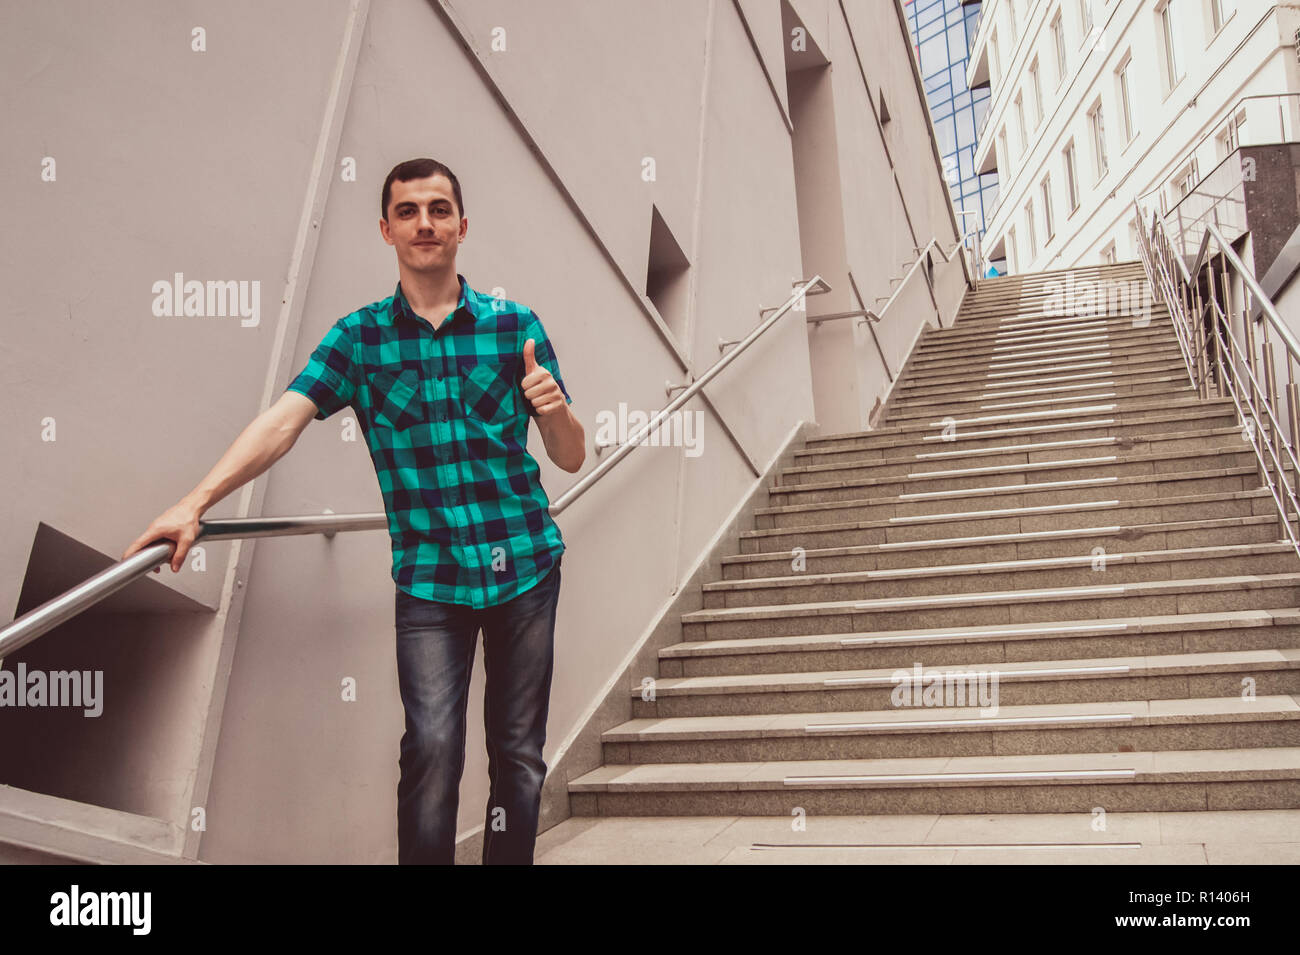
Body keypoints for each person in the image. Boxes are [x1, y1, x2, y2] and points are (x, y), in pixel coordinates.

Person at [122, 157, 586, 865]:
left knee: (517, 753)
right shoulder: (359, 339)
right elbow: (283, 420)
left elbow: (570, 455)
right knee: (432, 746)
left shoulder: (513, 325)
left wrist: (556, 411)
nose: (425, 223)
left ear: (463, 225)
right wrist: (194, 503)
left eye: (439, 209)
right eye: (408, 211)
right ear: (386, 229)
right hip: (430, 580)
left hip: (524, 565)